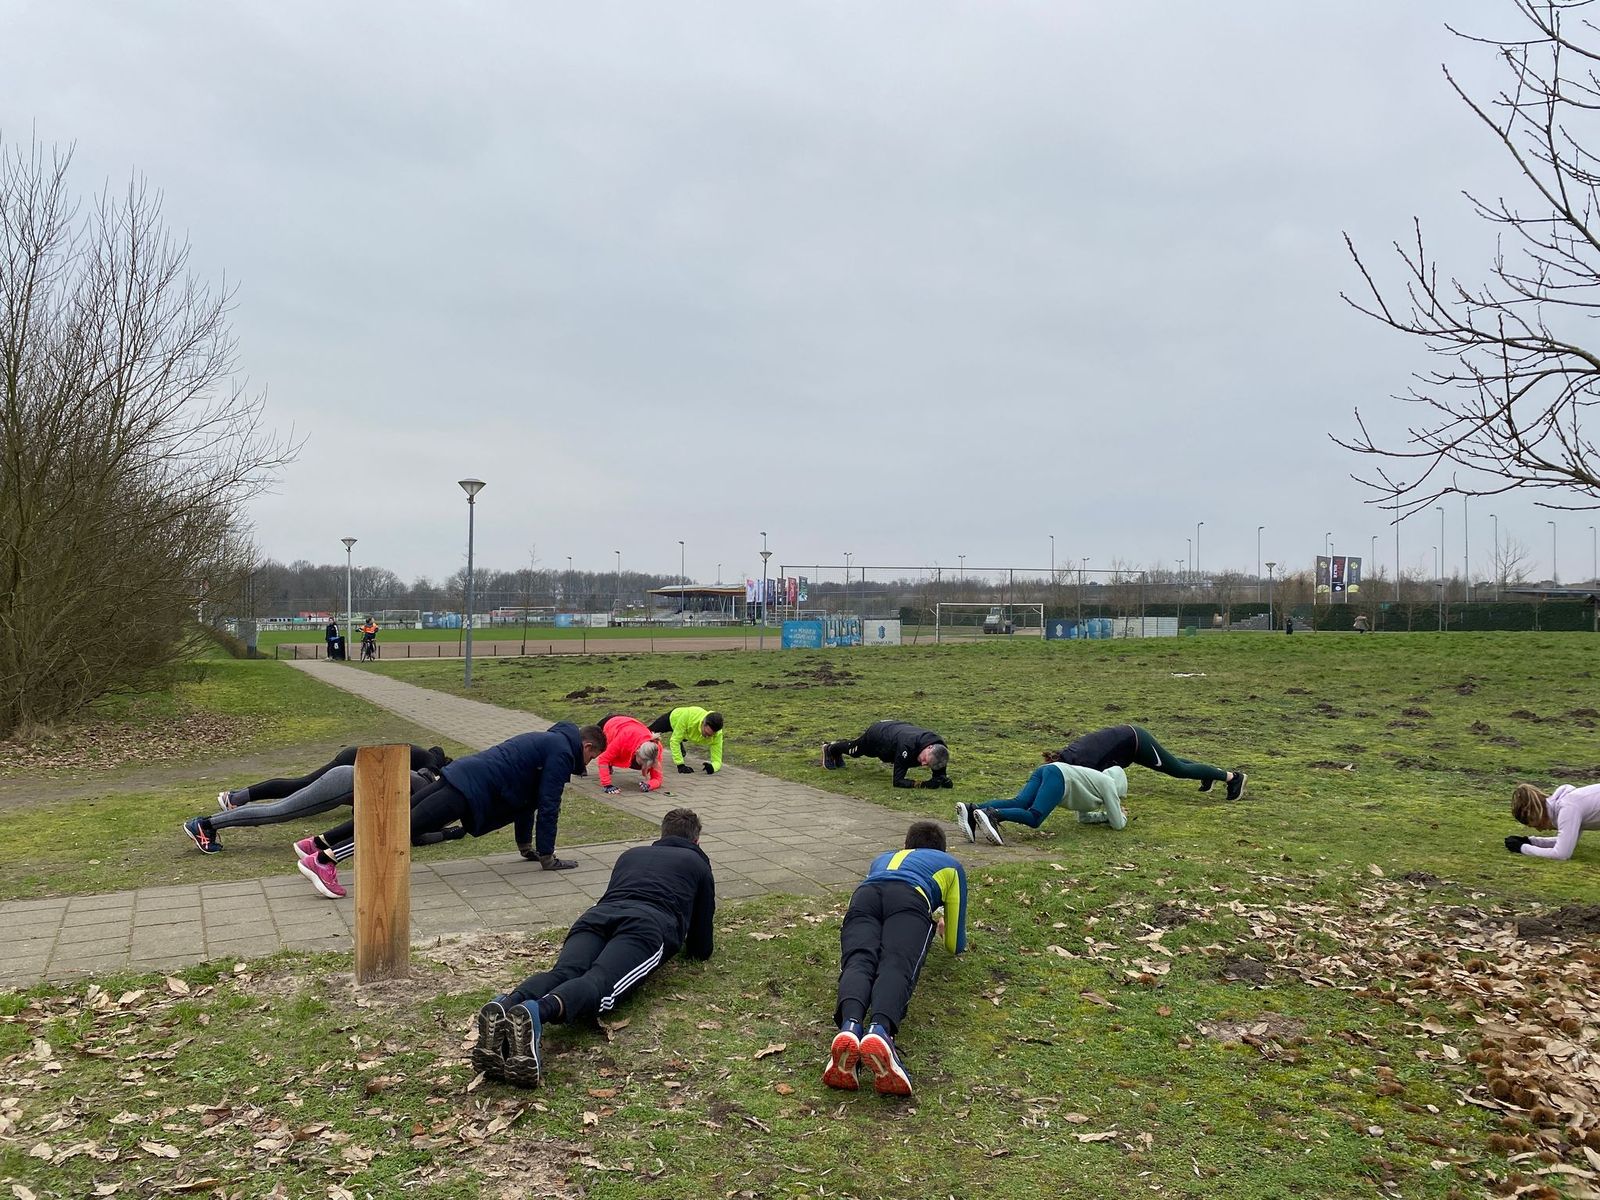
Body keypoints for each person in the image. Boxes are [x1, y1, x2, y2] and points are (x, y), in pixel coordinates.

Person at [471, 807, 715, 1087]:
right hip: (647, 924)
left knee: (564, 972)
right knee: (601, 983)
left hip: (596, 917)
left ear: (661, 834)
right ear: (696, 840)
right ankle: (539, 1011)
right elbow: (701, 942)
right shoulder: (697, 863)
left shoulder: (631, 855)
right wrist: (695, 948)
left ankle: (507, 1003)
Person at [296, 722, 606, 898]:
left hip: (464, 773)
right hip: (471, 790)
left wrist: (527, 847)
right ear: (588, 747)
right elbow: (549, 804)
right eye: (593, 757)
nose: (589, 764)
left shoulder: (551, 740)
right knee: (401, 827)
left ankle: (319, 842)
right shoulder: (563, 752)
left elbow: (529, 801)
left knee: (398, 814)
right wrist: (548, 856)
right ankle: (323, 861)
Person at [822, 821, 967, 1097]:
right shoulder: (950, 864)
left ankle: (850, 1026)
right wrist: (943, 927)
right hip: (910, 898)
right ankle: (880, 1030)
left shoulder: (882, 859)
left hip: (864, 897)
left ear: (906, 846)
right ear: (941, 849)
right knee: (896, 962)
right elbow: (955, 945)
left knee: (859, 960)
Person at [184, 761, 449, 853]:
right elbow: (417, 835)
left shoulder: (418, 778)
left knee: (281, 808)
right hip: (342, 783)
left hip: (344, 780)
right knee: (279, 811)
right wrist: (451, 833)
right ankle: (206, 824)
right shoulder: (422, 787)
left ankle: (209, 822)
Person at [1037, 724, 1244, 800]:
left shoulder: (1081, 763)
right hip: (1128, 746)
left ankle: (1233, 778)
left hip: (1135, 740)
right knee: (1170, 763)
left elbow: (1100, 785)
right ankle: (1208, 774)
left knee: (1177, 769)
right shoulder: (1070, 757)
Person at [216, 744, 449, 811]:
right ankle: (236, 798)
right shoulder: (430, 762)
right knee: (303, 785)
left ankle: (238, 796)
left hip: (357, 755)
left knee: (303, 786)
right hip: (354, 759)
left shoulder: (424, 756)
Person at [956, 762, 1128, 846]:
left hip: (1049, 769)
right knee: (1035, 817)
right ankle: (993, 814)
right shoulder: (1108, 784)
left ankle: (972, 809)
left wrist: (1102, 816)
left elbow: (1083, 817)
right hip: (1060, 777)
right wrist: (1121, 815)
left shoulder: (1096, 781)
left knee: (1020, 802)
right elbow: (1118, 824)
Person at [821, 721, 950, 788]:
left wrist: (942, 779)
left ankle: (835, 753)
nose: (922, 764)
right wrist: (924, 784)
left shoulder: (940, 750)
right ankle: (830, 749)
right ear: (928, 747)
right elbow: (897, 781)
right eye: (925, 760)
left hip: (898, 729)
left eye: (928, 765)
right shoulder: (907, 746)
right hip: (879, 734)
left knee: (856, 751)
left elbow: (939, 771)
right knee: (855, 751)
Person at [1505, 781, 1600, 861]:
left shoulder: (1567, 809)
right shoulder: (1565, 805)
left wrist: (1522, 848)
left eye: (1536, 825)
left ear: (1536, 815)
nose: (1539, 830)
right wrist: (1530, 841)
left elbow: (1561, 854)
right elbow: (1566, 841)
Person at [594, 714, 664, 794]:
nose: (643, 766)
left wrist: (649, 785)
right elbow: (603, 759)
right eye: (642, 763)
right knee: (607, 751)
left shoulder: (655, 748)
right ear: (637, 752)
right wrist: (607, 785)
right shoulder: (623, 739)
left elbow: (658, 779)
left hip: (631, 725)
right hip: (612, 723)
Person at [647, 706, 724, 775]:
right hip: (673, 718)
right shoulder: (689, 716)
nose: (707, 737)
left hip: (685, 733)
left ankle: (681, 747)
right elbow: (674, 741)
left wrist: (712, 768)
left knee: (681, 749)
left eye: (710, 735)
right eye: (706, 733)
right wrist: (680, 765)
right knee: (648, 733)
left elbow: (717, 760)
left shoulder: (717, 735)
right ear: (703, 723)